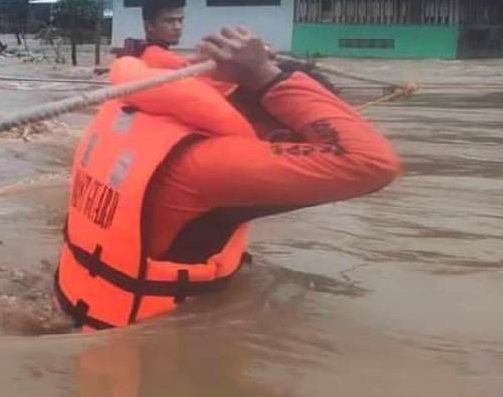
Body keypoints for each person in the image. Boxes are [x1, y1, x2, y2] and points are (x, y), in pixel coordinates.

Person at [55, 26, 402, 330]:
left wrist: (254, 72)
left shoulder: (148, 119)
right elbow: (370, 162)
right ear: (280, 138)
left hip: (83, 305)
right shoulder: (211, 166)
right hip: (152, 339)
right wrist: (268, 75)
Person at [118, 0, 187, 69]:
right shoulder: (173, 62)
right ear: (149, 25)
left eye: (180, 20)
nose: (178, 27)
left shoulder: (137, 51)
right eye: (169, 21)